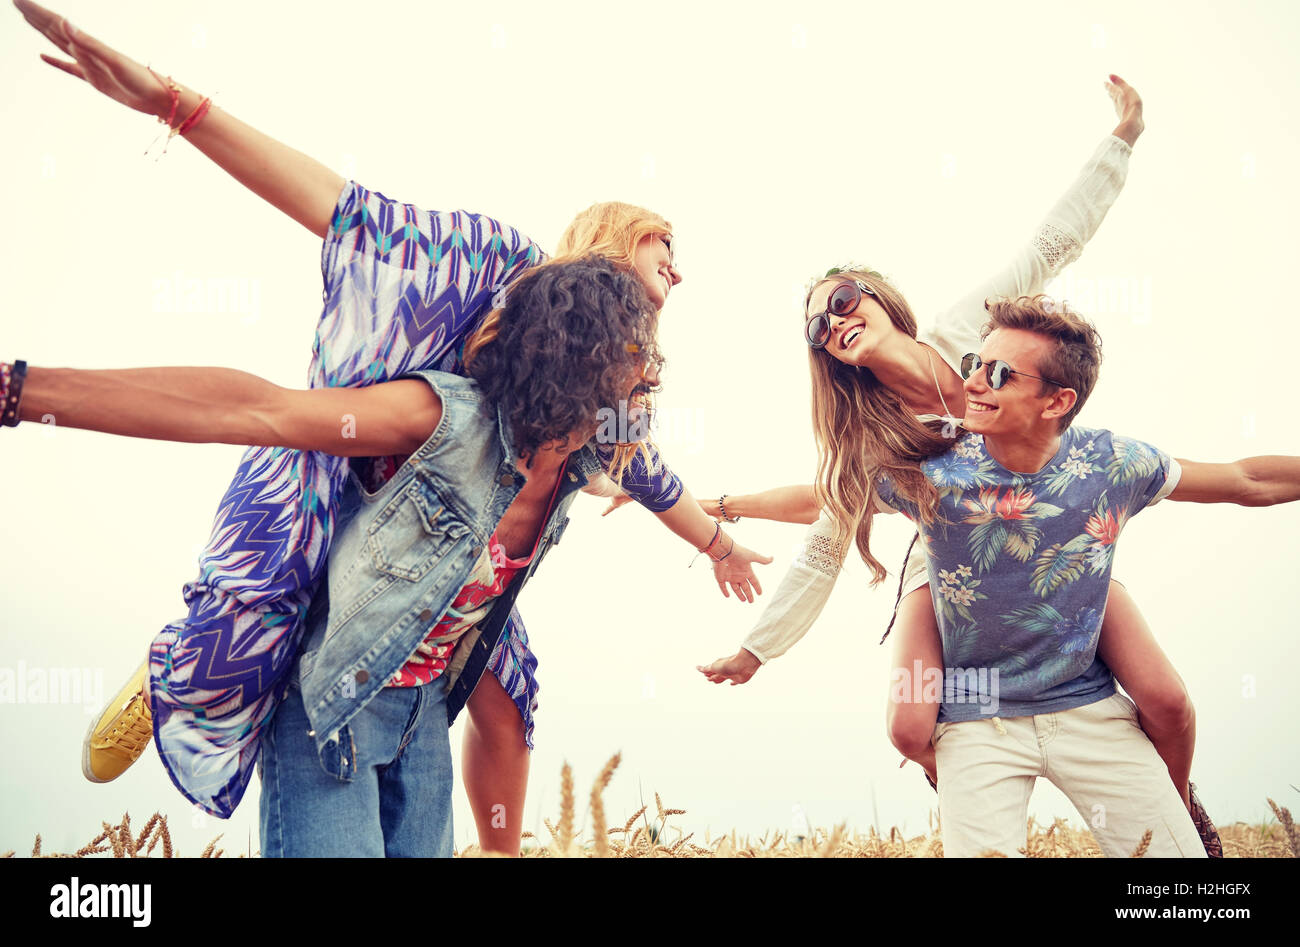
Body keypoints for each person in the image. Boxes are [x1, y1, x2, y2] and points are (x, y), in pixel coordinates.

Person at [12, 0, 770, 851]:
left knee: (507, 686)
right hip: (346, 530)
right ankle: (198, 649)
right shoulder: (489, 285)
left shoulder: (602, 423)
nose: (673, 281)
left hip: (439, 618)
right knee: (275, 593)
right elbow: (342, 217)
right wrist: (175, 106)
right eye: (657, 253)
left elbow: (651, 474)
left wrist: (717, 542)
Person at [2, 256, 708, 856]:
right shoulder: (442, 419)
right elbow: (260, 409)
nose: (647, 374)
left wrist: (724, 542)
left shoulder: (583, 460)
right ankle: (183, 657)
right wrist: (25, 390)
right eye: (631, 353)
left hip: (424, 715)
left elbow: (667, 487)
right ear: (576, 357)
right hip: (329, 701)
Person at [685, 76, 1223, 854]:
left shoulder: (968, 329)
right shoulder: (866, 434)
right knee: (910, 717)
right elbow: (828, 531)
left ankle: (1180, 809)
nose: (832, 321)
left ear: (876, 297)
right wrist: (757, 646)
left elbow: (1052, 243)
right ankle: (980, 772)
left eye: (841, 299)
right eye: (816, 326)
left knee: (1166, 696)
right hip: (949, 545)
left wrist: (1122, 141)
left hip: (1045, 524)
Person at [854, 294, 1300, 856]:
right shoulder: (932, 467)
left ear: (1057, 401)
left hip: (1086, 701)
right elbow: (828, 501)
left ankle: (1181, 801)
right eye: (973, 364)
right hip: (974, 712)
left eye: (998, 373)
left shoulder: (1114, 463)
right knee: (907, 728)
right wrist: (719, 522)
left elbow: (1245, 481)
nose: (972, 382)